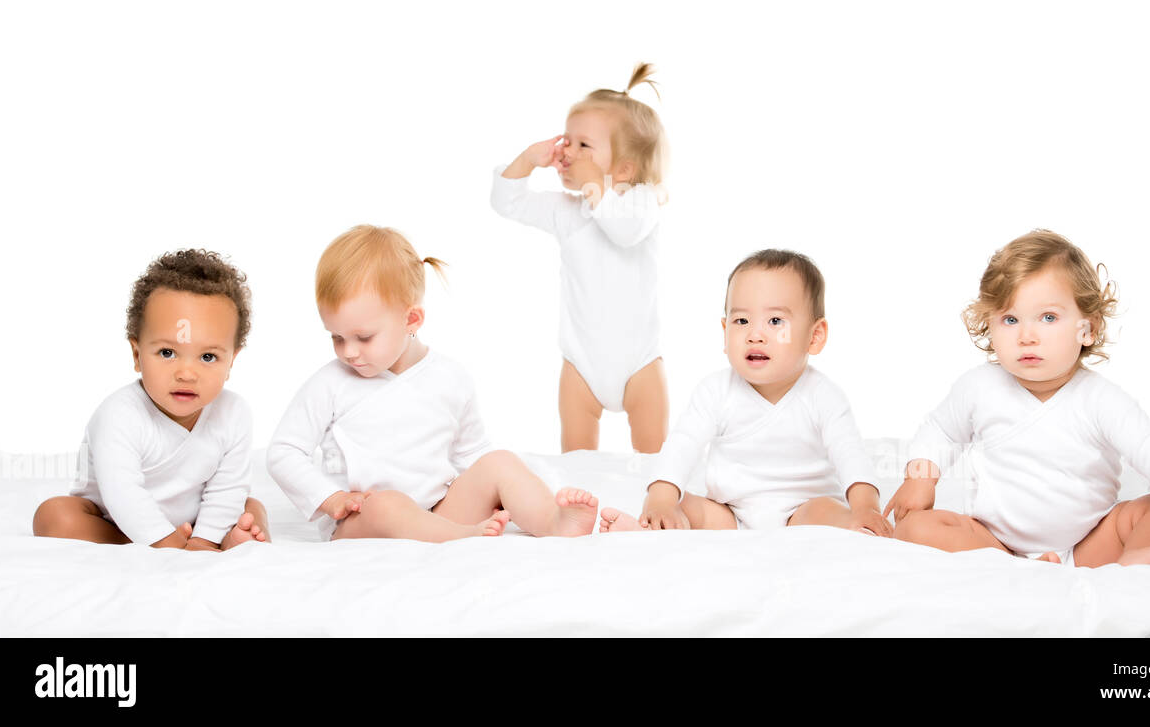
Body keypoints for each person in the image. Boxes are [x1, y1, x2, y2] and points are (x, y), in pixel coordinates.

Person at [884, 229, 1150, 567]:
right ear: (989, 325)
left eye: (1049, 318)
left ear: (1089, 328)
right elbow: (941, 431)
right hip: (994, 544)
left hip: (1090, 544)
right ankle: (1018, 570)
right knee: (914, 528)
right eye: (1010, 319)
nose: (1027, 336)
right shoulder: (980, 387)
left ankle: (1129, 566)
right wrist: (920, 478)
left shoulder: (1100, 400)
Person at [267, 224, 599, 542]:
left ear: (411, 319)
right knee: (388, 503)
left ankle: (553, 522)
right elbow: (284, 452)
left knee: (500, 462)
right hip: (361, 521)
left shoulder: (450, 378)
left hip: (440, 511)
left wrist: (496, 491)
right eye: (336, 337)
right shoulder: (331, 383)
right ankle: (459, 538)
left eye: (363, 337)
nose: (349, 352)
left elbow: (473, 451)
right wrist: (331, 497)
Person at [599, 249, 889, 535]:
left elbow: (850, 455)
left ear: (814, 337)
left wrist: (865, 508)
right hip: (730, 512)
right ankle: (648, 527)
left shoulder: (823, 395)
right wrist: (661, 499)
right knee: (685, 505)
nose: (754, 334)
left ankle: (861, 530)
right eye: (741, 321)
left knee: (831, 513)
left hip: (803, 510)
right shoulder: (715, 391)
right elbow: (681, 446)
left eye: (775, 321)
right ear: (725, 331)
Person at [33, 249, 268, 550]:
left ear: (231, 362)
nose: (186, 373)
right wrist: (169, 543)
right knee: (54, 515)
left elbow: (227, 487)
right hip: (114, 519)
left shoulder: (234, 413)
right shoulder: (119, 415)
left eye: (208, 356)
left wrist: (204, 537)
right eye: (167, 353)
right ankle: (134, 541)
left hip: (196, 520)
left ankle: (218, 540)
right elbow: (123, 493)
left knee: (251, 507)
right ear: (137, 354)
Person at [490, 62, 670, 452]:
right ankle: (580, 504)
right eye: (566, 141)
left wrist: (593, 186)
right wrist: (527, 160)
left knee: (656, 460)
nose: (568, 152)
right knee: (576, 461)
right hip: (581, 364)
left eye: (583, 145)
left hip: (639, 363)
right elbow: (508, 203)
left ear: (624, 168)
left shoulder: (642, 202)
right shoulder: (567, 212)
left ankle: (656, 505)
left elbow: (624, 232)